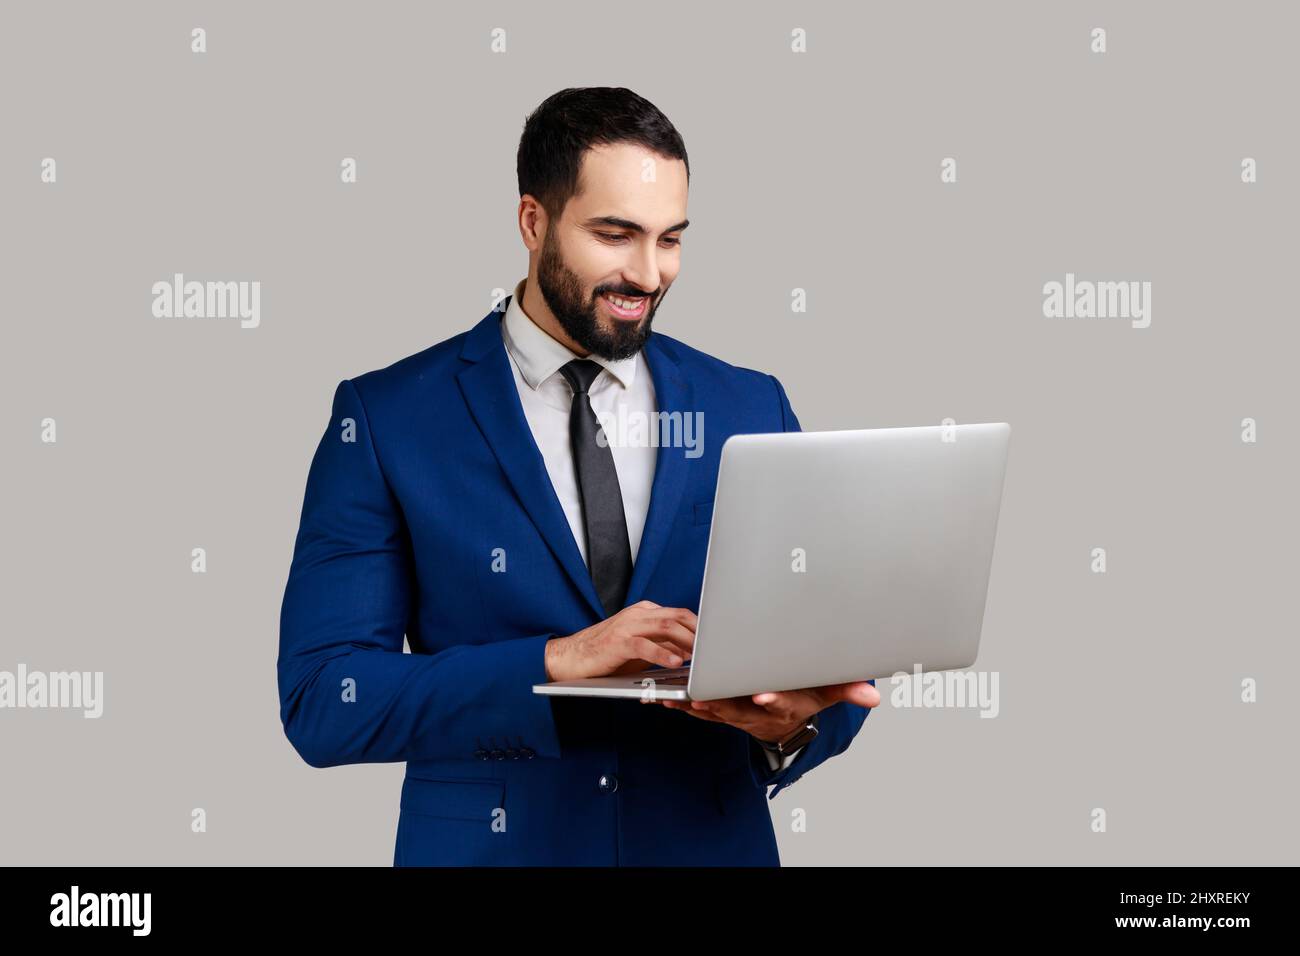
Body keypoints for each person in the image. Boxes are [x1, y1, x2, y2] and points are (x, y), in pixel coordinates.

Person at [278, 87, 879, 866]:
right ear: (534, 222)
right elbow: (325, 699)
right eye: (615, 234)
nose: (647, 273)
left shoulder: (748, 403)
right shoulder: (386, 418)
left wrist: (789, 724)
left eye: (671, 240)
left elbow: (825, 660)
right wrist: (558, 660)